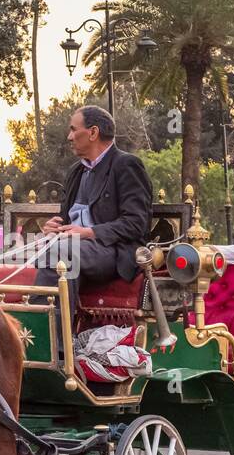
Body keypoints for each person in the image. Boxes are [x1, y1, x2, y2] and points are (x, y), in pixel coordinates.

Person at [33, 106, 153, 315]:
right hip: (76, 247)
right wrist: (54, 227)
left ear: (93, 133)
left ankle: (52, 345)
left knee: (62, 253)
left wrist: (89, 233)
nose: (69, 137)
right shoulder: (76, 171)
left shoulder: (126, 165)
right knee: (20, 249)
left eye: (73, 129)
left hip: (113, 250)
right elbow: (66, 216)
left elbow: (136, 223)